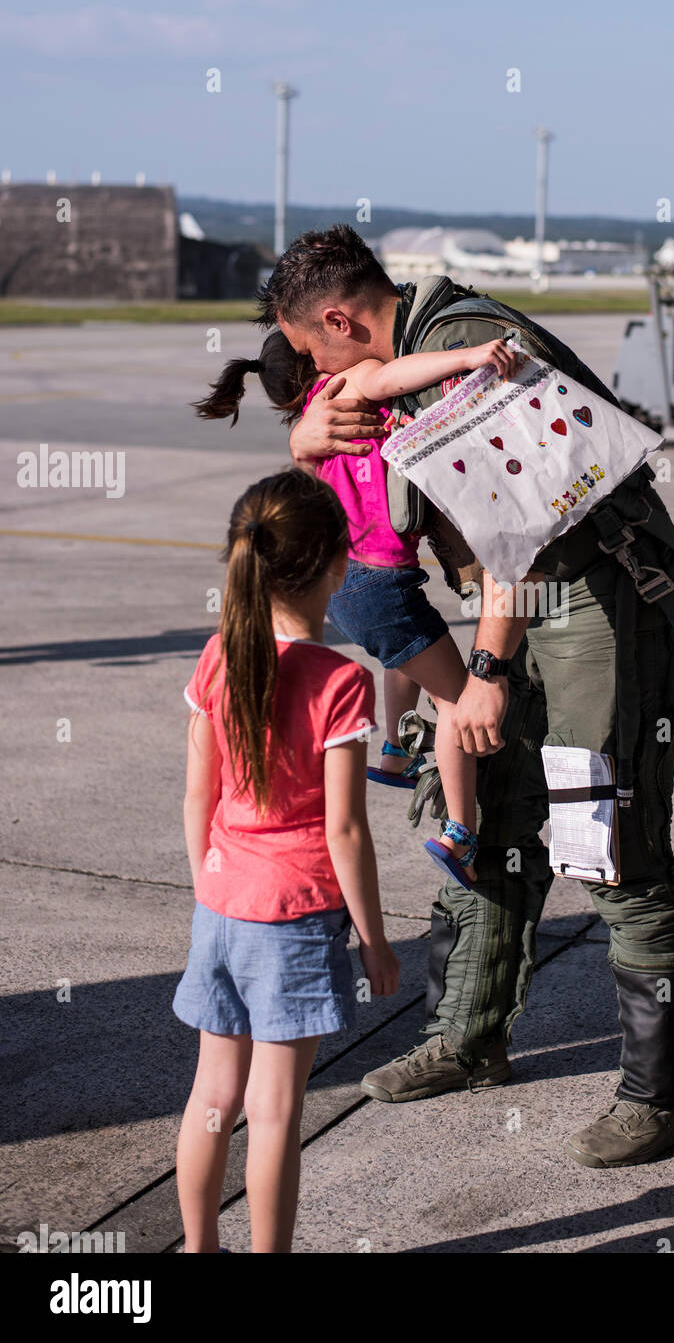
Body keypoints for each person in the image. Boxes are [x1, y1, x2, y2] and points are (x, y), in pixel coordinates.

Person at [259, 224, 674, 1169]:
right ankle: (468, 1039)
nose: (319, 378)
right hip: (511, 604)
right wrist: (305, 439)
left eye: (313, 357)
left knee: (603, 824)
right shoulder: (404, 360)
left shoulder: (467, 349)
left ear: (340, 318)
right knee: (485, 812)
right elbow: (360, 505)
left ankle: (660, 1097)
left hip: (589, 602)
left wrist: (490, 678)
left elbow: (521, 537)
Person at [194, 333, 521, 887]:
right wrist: (470, 356)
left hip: (346, 586)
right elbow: (395, 376)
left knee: (407, 652)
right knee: (456, 699)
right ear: (314, 357)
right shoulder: (346, 383)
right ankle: (460, 833)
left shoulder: (312, 425)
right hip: (378, 583)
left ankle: (394, 750)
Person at [173, 466, 398, 1252]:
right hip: (295, 919)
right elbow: (346, 831)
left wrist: (210, 880)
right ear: (338, 567)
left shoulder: (215, 657)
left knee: (212, 1097)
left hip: (222, 904)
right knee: (274, 1112)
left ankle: (200, 1248)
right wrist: (373, 939)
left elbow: (197, 800)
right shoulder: (340, 680)